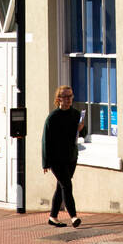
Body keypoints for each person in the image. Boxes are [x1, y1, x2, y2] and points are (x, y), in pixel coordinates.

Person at [42, 85, 84, 227]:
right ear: (59, 99)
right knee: (67, 185)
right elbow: (45, 141)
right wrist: (45, 163)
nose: (69, 99)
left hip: (71, 157)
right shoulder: (53, 118)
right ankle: (73, 217)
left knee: (61, 187)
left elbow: (81, 135)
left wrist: (82, 128)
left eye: (71, 96)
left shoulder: (76, 114)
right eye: (66, 97)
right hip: (56, 159)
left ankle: (53, 217)